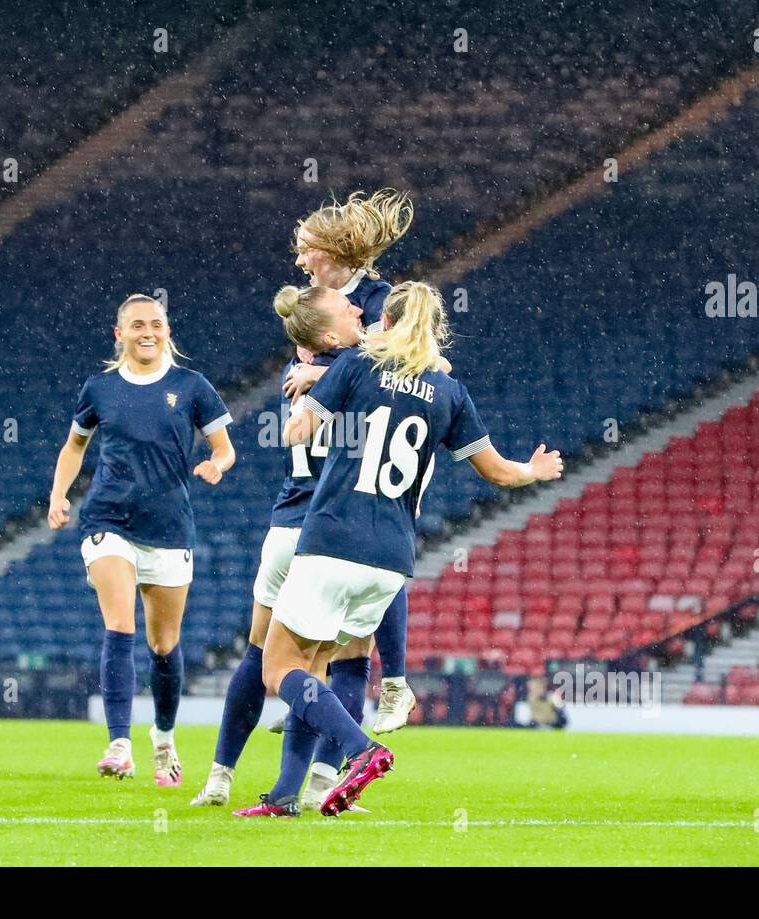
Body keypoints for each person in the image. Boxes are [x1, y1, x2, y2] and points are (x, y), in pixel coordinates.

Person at [235, 281, 564, 816]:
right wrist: (536, 469)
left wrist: (316, 386)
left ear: (383, 323)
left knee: (280, 669)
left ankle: (361, 750)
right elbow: (501, 473)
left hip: (333, 540)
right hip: (391, 562)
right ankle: (285, 796)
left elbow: (297, 432)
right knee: (320, 670)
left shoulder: (356, 364)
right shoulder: (450, 392)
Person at [192, 284, 367, 809]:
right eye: (348, 309)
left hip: (285, 526)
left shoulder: (300, 370)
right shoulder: (357, 372)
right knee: (315, 667)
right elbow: (420, 368)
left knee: (258, 653)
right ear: (326, 334)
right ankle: (302, 786)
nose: (360, 312)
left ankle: (220, 776)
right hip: (330, 534)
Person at [48, 294, 235, 785]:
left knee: (164, 646)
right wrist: (58, 495)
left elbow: (224, 448)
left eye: (155, 324)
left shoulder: (191, 386)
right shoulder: (100, 389)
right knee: (119, 626)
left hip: (169, 528)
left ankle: (164, 736)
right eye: (137, 325)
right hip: (108, 519)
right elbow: (74, 446)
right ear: (120, 334)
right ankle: (119, 743)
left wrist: (216, 464)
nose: (147, 332)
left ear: (167, 331)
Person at [284, 188, 439, 736]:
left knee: (377, 551)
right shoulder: (316, 302)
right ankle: (308, 683)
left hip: (385, 443)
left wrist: (320, 374)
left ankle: (394, 680)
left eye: (307, 248)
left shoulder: (381, 301)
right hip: (337, 444)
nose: (300, 260)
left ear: (334, 249)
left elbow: (424, 364)